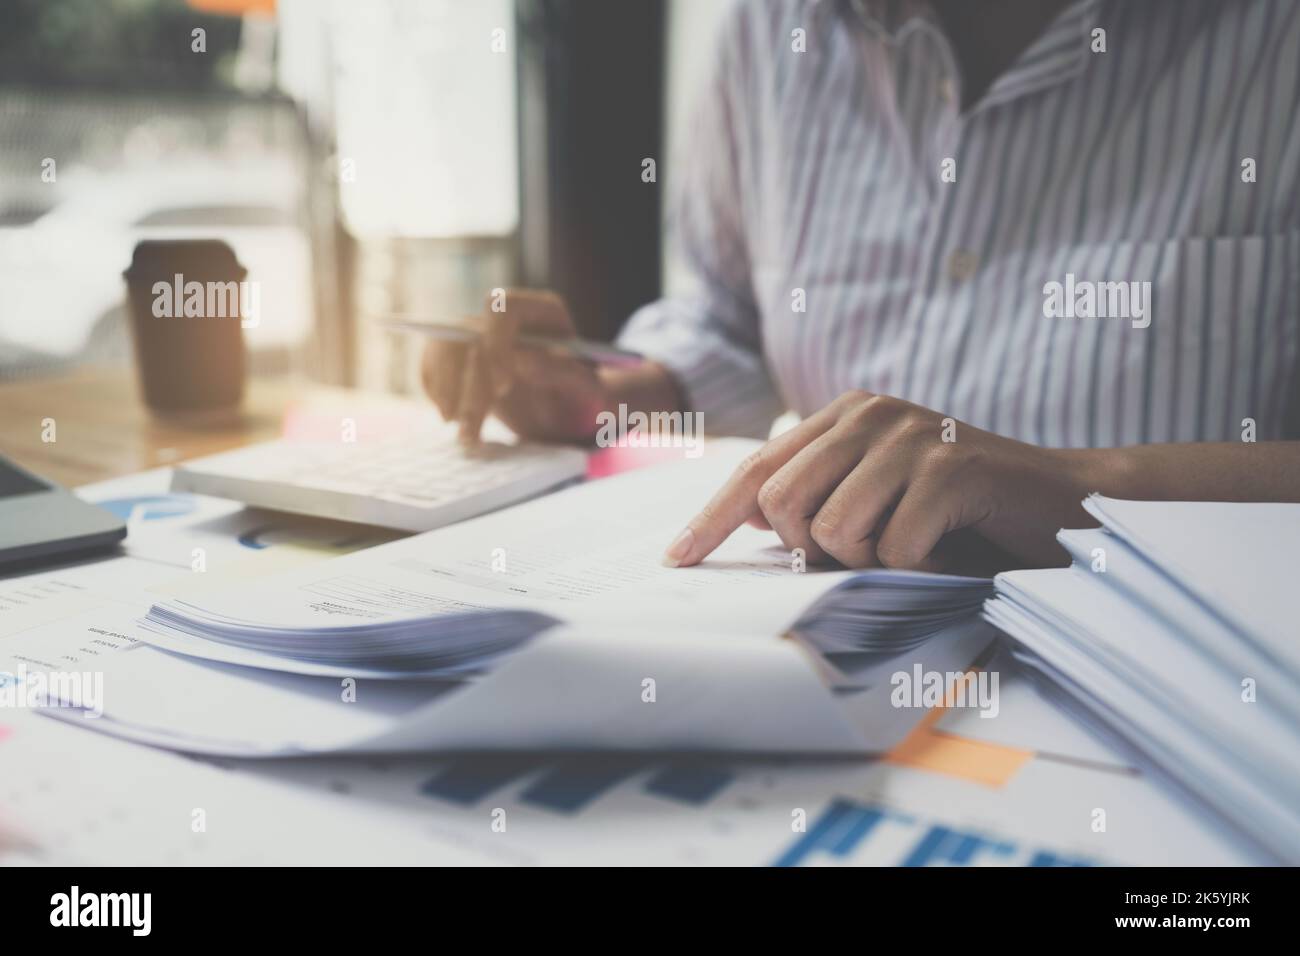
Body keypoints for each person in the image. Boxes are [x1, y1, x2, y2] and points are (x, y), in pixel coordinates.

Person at [423, 0, 1300, 574]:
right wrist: (612, 393)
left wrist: (1079, 485)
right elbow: (730, 315)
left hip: (1171, 675)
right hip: (832, 641)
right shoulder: (776, 26)